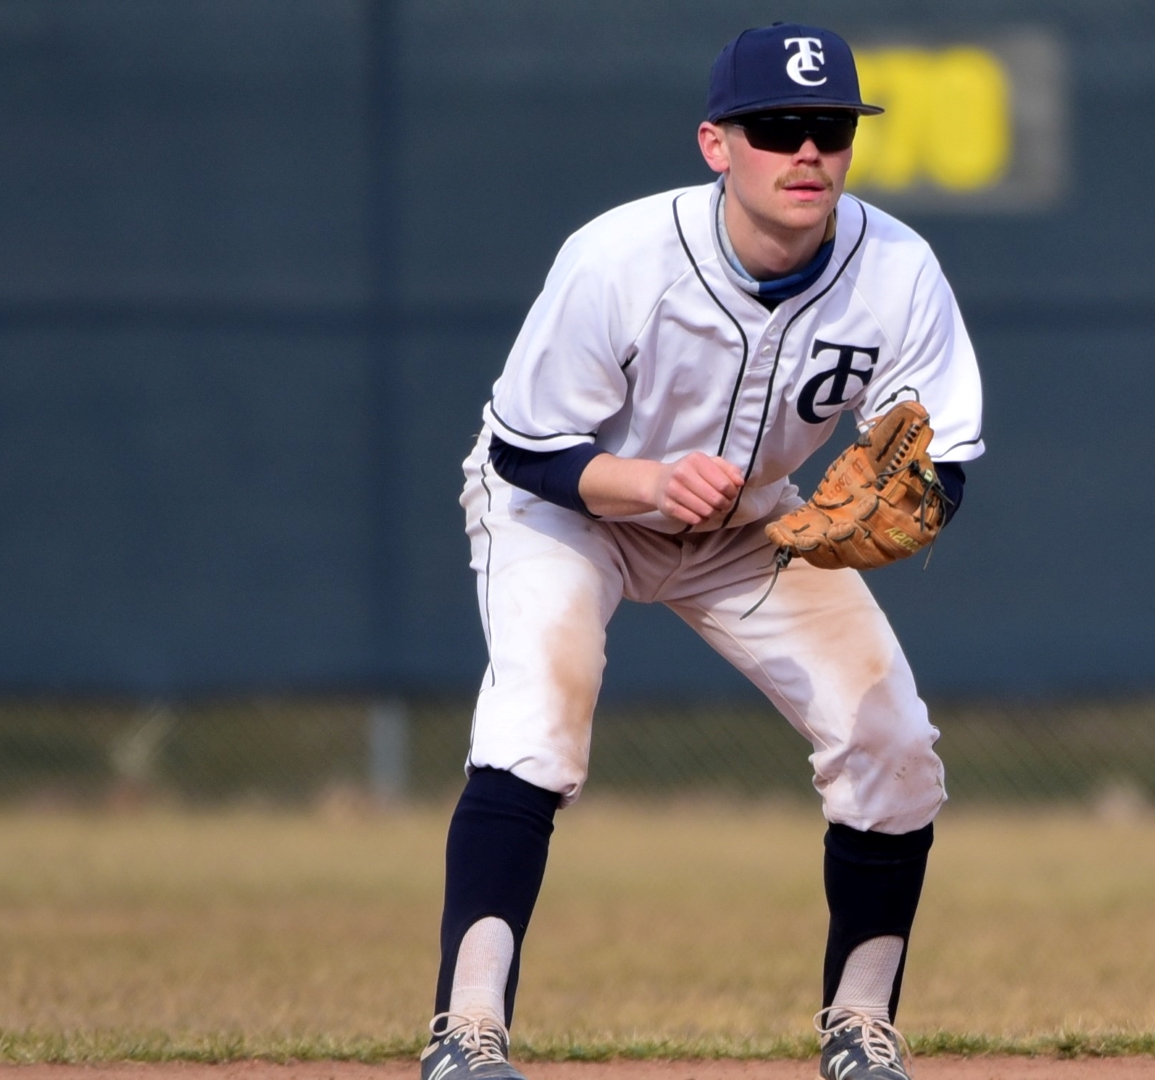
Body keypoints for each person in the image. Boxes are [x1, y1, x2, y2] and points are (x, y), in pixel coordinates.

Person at [417, 22, 985, 1080]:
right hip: (570, 510)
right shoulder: (617, 259)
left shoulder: (896, 268)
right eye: (777, 128)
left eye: (829, 127)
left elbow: (943, 448)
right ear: (717, 144)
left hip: (748, 527)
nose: (807, 151)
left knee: (895, 747)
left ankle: (861, 1028)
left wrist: (919, 507)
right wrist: (648, 482)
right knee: (539, 724)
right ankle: (468, 1030)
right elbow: (528, 446)